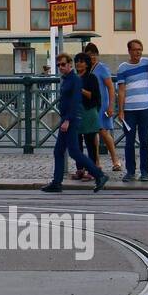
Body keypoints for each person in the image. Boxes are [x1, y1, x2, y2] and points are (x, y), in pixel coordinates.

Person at [42, 53, 107, 193]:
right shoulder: (65, 79)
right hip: (66, 119)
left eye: (63, 64)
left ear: (69, 64)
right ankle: (56, 182)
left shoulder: (75, 79)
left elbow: (75, 101)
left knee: (74, 152)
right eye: (58, 65)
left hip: (70, 120)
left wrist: (67, 120)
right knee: (59, 151)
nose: (61, 67)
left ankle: (99, 175)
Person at [115, 39, 148, 182]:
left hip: (145, 109)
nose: (138, 52)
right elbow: (122, 90)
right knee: (129, 141)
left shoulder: (147, 63)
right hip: (129, 110)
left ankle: (145, 171)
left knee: (144, 141)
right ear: (129, 51)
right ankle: (130, 171)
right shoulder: (123, 68)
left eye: (140, 49)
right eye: (135, 49)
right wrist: (121, 110)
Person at [85, 43, 123, 173]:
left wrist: (111, 106)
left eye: (94, 55)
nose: (92, 57)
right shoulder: (86, 69)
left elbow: (111, 88)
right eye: (90, 55)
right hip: (91, 105)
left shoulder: (102, 68)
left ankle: (115, 160)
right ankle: (96, 162)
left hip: (102, 105)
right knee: (92, 134)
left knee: (104, 132)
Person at [75, 53, 102, 166]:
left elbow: (94, 96)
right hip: (76, 112)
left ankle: (92, 168)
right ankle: (80, 168)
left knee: (90, 142)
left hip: (89, 111)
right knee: (77, 143)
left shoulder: (91, 77)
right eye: (76, 61)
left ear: (86, 64)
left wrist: (80, 90)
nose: (78, 64)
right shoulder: (74, 77)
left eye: (81, 61)